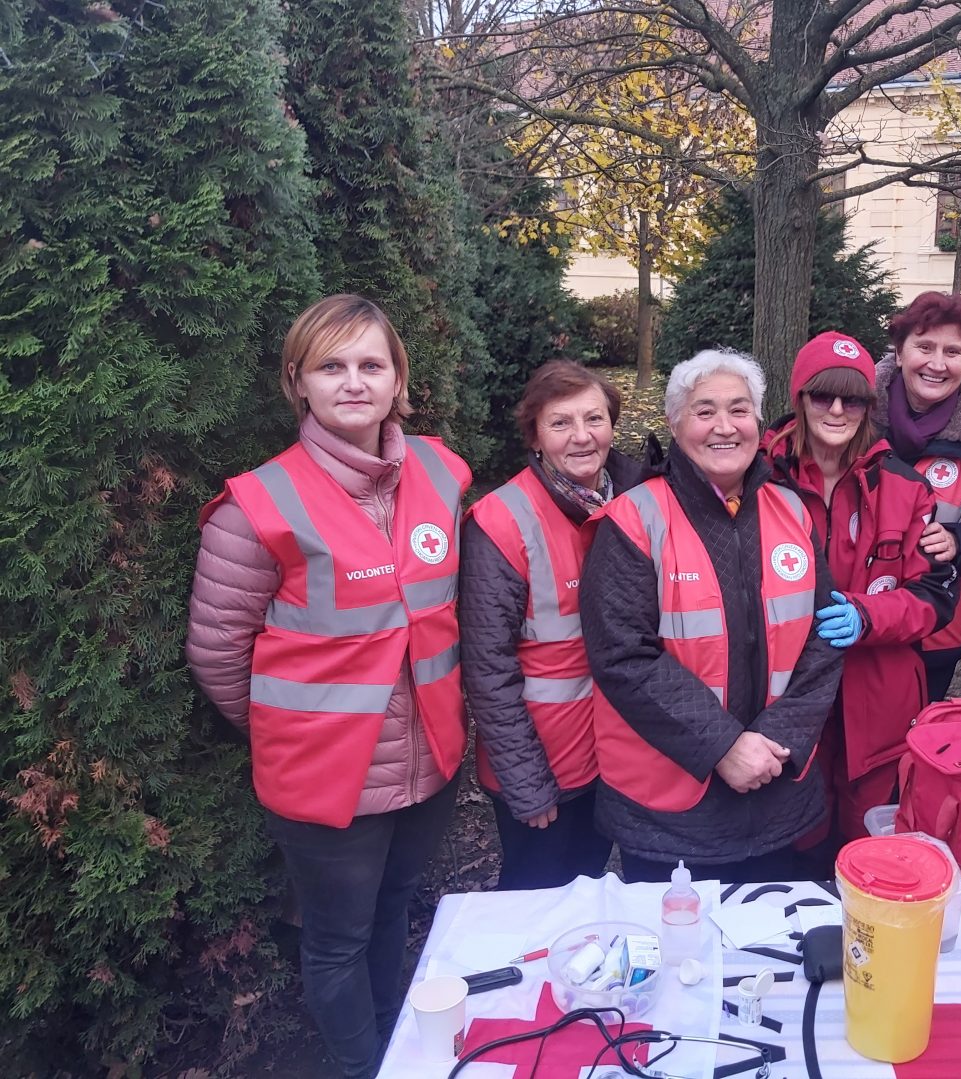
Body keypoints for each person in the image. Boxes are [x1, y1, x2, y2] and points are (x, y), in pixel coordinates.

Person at [186, 295, 470, 1077]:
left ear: (397, 380)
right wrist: (299, 734)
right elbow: (217, 655)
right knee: (339, 940)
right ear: (297, 383)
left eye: (371, 364)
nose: (353, 381)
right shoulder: (257, 506)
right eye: (330, 366)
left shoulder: (442, 476)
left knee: (393, 914)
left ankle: (395, 1051)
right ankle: (361, 1067)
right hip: (326, 782)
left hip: (433, 762)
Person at [581, 349, 843, 883]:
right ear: (676, 426)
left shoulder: (791, 510)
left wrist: (776, 741)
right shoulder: (634, 519)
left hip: (777, 786)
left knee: (768, 959)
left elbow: (825, 634)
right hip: (670, 808)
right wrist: (723, 745)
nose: (724, 426)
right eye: (704, 411)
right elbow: (622, 656)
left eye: (739, 410)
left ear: (760, 423)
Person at [460, 360, 653, 889]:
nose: (582, 436)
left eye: (594, 419)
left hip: (618, 756)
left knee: (591, 895)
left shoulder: (639, 500)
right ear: (536, 437)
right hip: (545, 765)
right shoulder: (501, 522)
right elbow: (487, 669)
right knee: (534, 902)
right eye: (561, 423)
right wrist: (526, 783)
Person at [761, 331, 957, 844]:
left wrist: (867, 615)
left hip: (876, 697)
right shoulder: (759, 478)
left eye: (853, 398)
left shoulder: (906, 488)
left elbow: (934, 597)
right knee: (795, 836)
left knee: (866, 839)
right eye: (822, 395)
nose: (837, 410)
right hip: (787, 693)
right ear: (800, 399)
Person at [873, 292, 961, 701]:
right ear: (899, 353)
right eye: (924, 346)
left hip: (934, 633)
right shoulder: (851, 417)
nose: (937, 364)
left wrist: (959, 541)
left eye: (953, 351)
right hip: (851, 621)